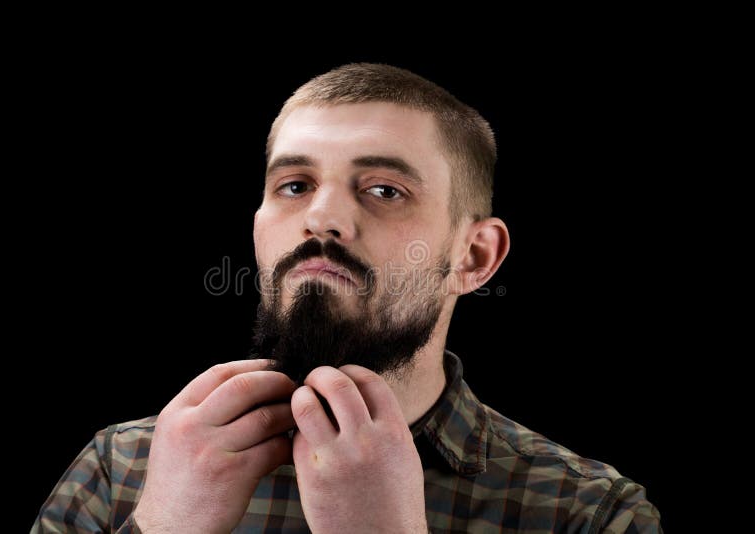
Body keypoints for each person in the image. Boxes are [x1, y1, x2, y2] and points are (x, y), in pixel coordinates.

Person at [33, 63, 662, 533]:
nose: (321, 218)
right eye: (295, 185)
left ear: (474, 257)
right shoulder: (123, 468)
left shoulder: (588, 512)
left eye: (384, 190)